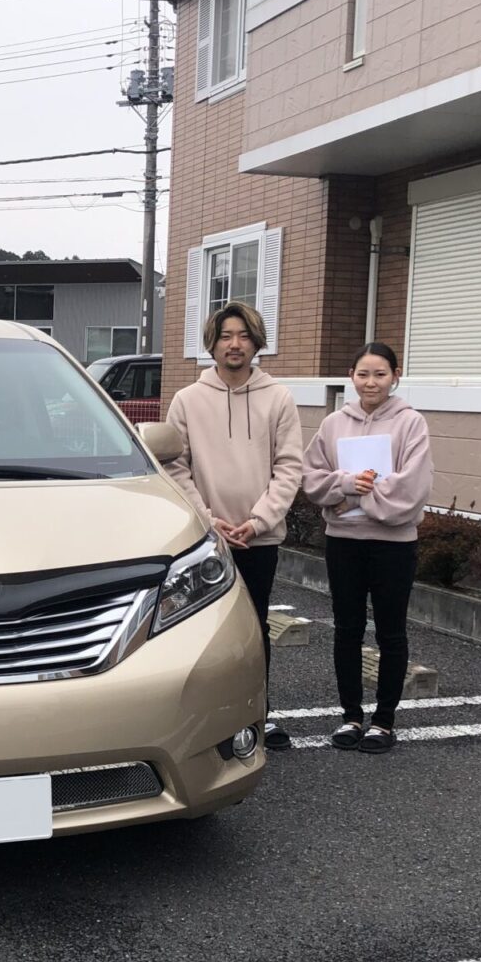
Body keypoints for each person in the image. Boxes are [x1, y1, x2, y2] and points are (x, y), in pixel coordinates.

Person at [165, 301, 303, 750]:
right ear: (212, 344)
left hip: (259, 540)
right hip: (205, 540)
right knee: (201, 633)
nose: (235, 344)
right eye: (226, 336)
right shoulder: (188, 400)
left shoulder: (278, 398)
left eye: (243, 335)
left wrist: (258, 521)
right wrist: (208, 521)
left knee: (254, 629)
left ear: (256, 342)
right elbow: (175, 466)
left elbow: (289, 467)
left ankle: (259, 714)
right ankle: (206, 723)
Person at [300, 343, 434, 754]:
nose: (370, 382)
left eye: (380, 374)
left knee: (391, 631)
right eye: (363, 374)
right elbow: (311, 476)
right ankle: (351, 715)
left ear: (396, 376)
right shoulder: (334, 423)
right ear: (351, 376)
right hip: (344, 543)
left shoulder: (411, 423)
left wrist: (353, 496)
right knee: (347, 629)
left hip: (394, 545)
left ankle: (384, 721)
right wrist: (344, 484)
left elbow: (412, 487)